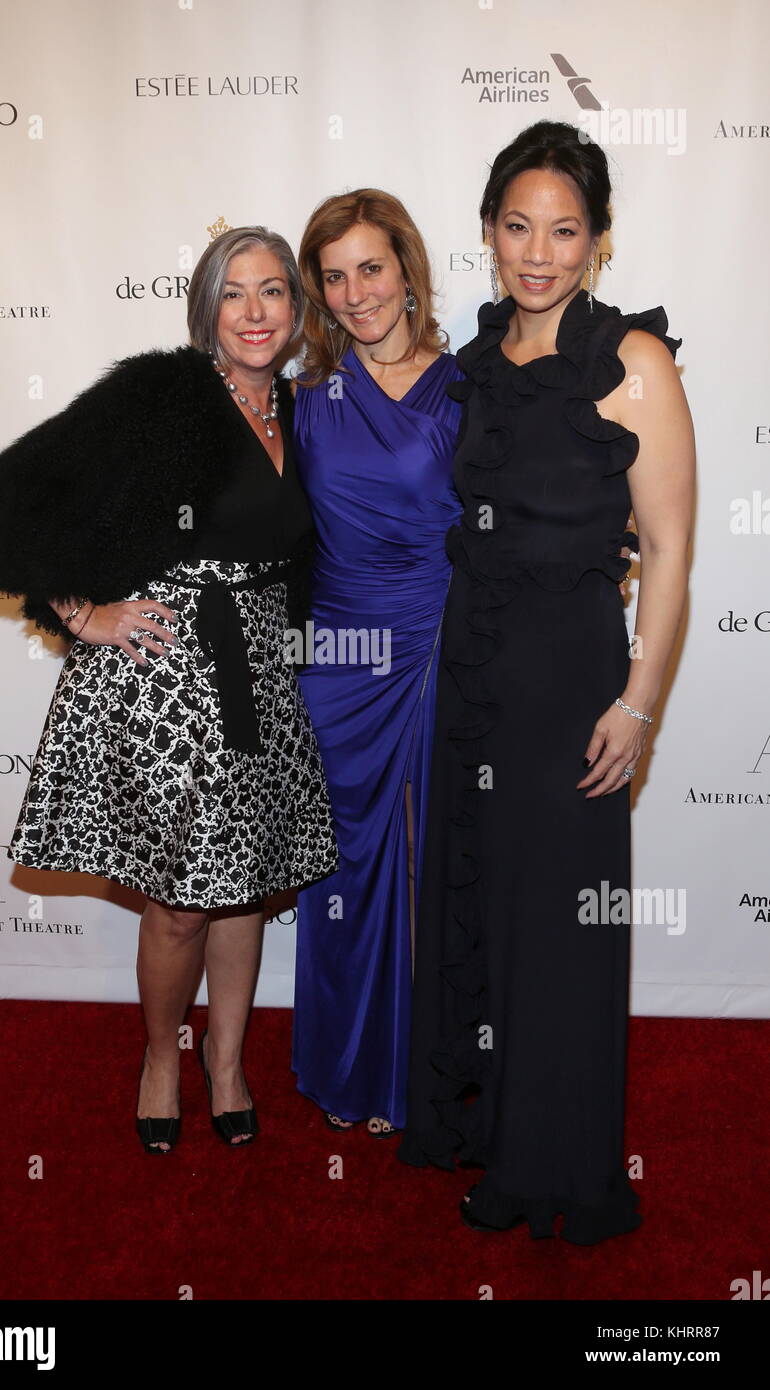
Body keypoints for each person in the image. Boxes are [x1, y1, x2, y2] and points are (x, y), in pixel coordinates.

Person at [0, 226, 339, 1155]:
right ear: (206, 309)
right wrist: (82, 615)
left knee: (246, 889)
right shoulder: (164, 394)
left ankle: (227, 1064)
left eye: (273, 293)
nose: (255, 313)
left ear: (298, 311)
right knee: (181, 898)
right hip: (168, 673)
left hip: (258, 665)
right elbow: (16, 489)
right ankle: (161, 1061)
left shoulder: (298, 409)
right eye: (234, 293)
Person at [398, 121, 695, 1244]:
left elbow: (665, 549)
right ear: (485, 232)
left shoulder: (631, 364)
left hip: (573, 677)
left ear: (596, 242)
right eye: (517, 225)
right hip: (471, 667)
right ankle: (495, 1131)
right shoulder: (471, 363)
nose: (537, 250)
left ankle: (561, 1166)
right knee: (487, 905)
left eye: (563, 229)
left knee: (563, 922)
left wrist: (637, 701)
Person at [290, 190, 464, 1135]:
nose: (356, 292)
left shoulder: (471, 386)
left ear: (408, 271)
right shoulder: (306, 403)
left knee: (441, 865)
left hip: (443, 655)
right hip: (336, 666)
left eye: (372, 267)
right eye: (335, 274)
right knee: (346, 874)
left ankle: (429, 1077)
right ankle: (350, 1068)